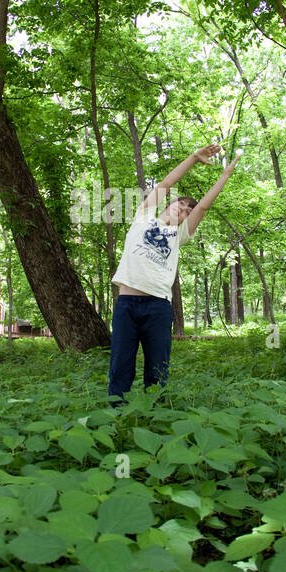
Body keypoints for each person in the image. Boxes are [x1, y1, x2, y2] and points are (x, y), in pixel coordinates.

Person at [107, 143, 240, 406]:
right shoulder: (144, 217)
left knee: (157, 369)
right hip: (126, 305)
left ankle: (154, 416)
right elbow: (166, 184)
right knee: (121, 364)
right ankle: (116, 417)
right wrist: (193, 158)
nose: (184, 211)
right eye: (181, 206)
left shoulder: (180, 235)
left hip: (158, 308)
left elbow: (203, 207)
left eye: (187, 213)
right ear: (168, 205)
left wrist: (224, 177)